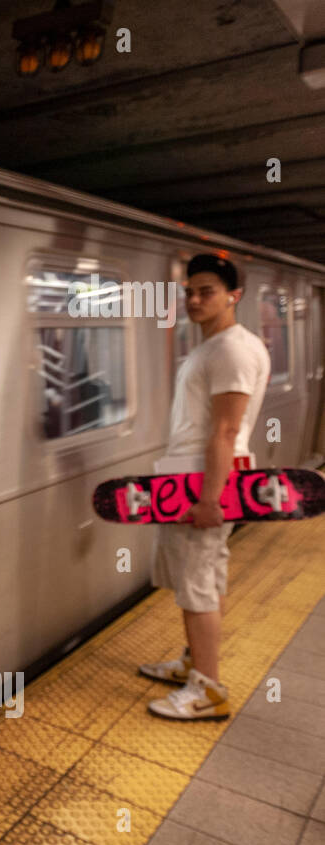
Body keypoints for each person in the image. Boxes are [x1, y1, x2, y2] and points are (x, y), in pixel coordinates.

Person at [140, 254, 270, 720]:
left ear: (234, 296)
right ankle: (193, 663)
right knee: (199, 582)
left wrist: (209, 499)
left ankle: (208, 691)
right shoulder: (211, 347)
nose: (194, 299)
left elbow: (226, 432)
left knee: (197, 587)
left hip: (202, 483)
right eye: (190, 291)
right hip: (186, 479)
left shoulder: (233, 350)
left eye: (207, 291)